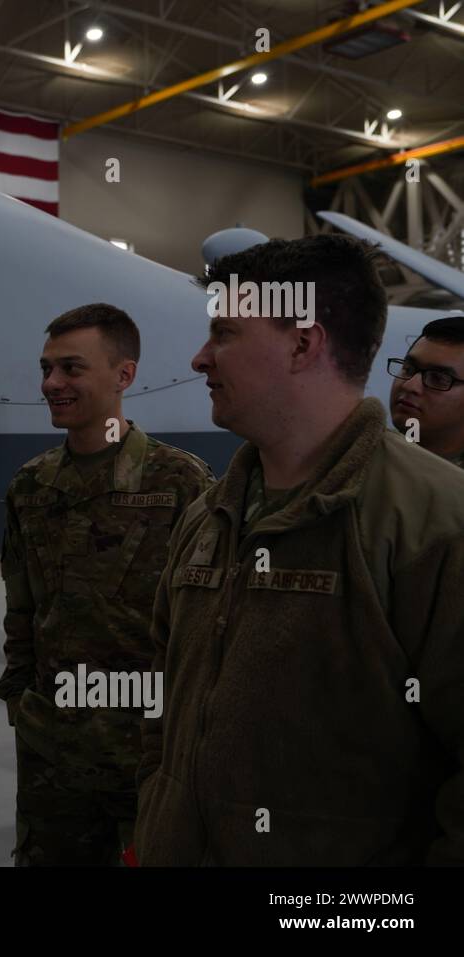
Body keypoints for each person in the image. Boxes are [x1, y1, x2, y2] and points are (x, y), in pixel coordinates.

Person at [136, 234, 464, 865]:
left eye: (225, 333)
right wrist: (159, 804)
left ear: (304, 342)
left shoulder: (435, 527)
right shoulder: (210, 516)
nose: (201, 358)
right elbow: (163, 701)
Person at [0, 303, 214, 866]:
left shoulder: (179, 482)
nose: (51, 384)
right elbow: (21, 607)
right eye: (46, 369)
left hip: (149, 753)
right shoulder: (32, 486)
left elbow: (210, 620)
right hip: (53, 751)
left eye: (71, 368)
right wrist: (22, 699)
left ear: (123, 375)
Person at [389, 314, 464, 468]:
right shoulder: (356, 458)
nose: (409, 386)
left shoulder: (455, 487)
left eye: (438, 378)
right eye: (408, 369)